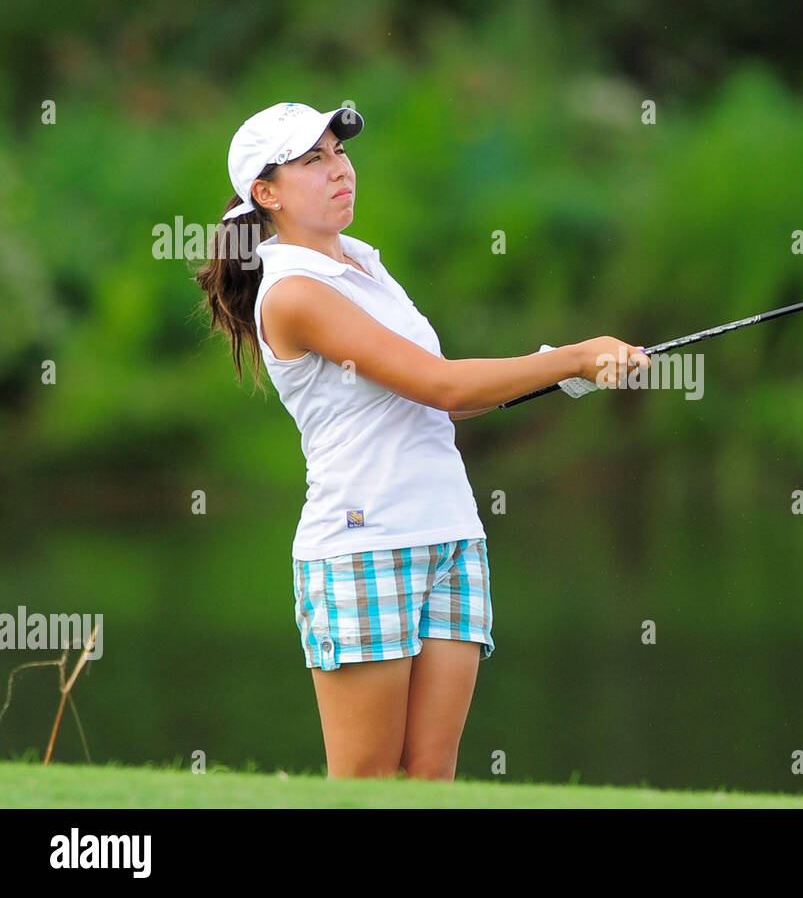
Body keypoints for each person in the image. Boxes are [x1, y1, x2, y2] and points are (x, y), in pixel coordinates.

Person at [192, 101, 650, 780]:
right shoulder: (292, 292)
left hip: (449, 534)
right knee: (366, 785)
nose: (338, 169)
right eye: (311, 161)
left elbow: (446, 400)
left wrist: (578, 376)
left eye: (338, 153)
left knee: (432, 778)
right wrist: (574, 356)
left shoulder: (365, 263)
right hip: (363, 544)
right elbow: (444, 387)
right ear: (266, 193)